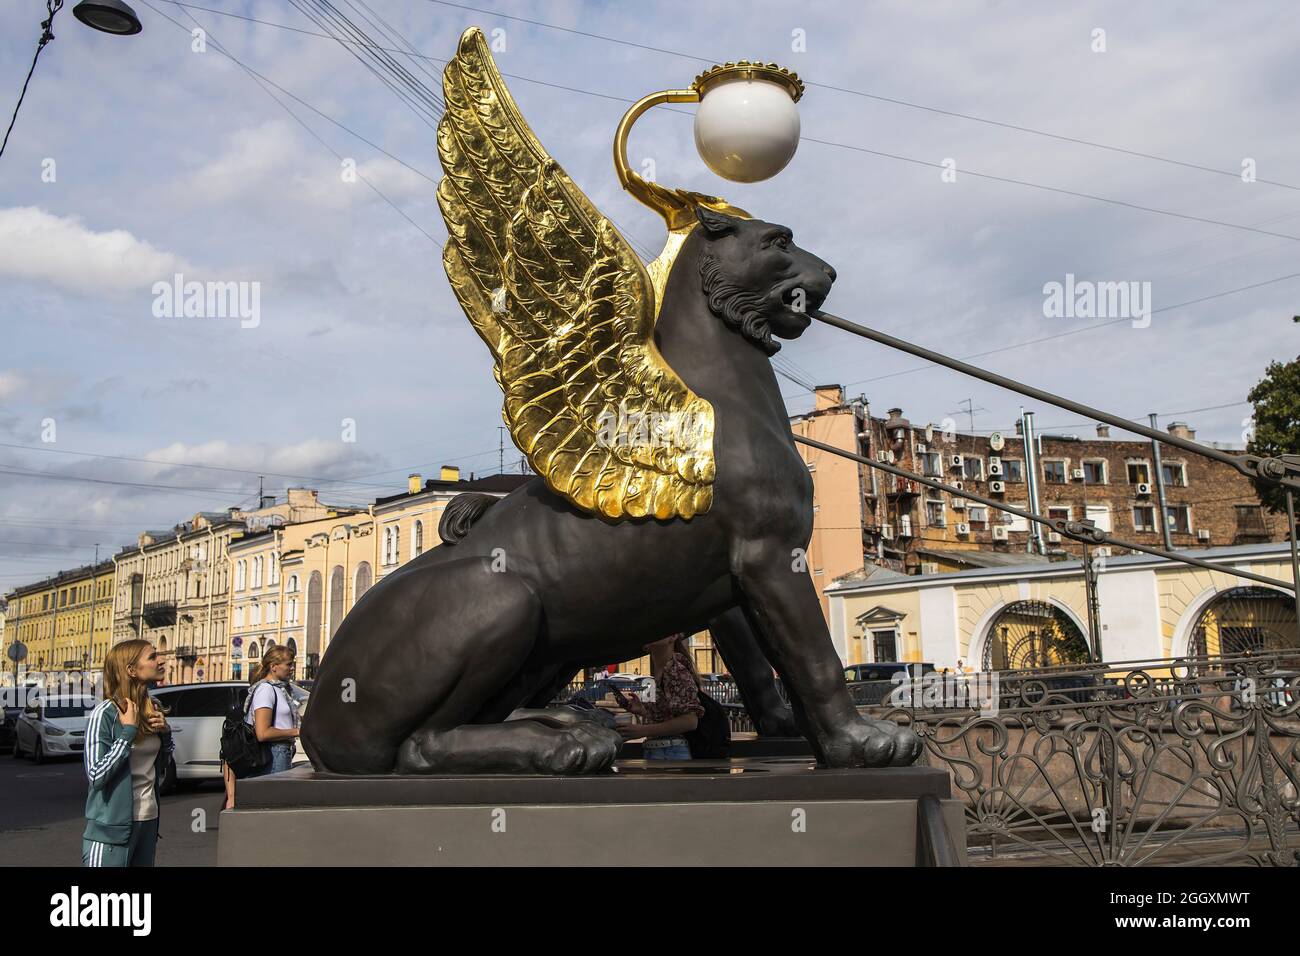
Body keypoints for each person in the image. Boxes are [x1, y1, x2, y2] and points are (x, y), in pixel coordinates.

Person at [82, 640, 173, 867]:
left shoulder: (154, 706)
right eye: (152, 657)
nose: (160, 660)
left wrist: (166, 734)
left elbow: (161, 766)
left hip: (148, 819)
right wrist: (128, 733)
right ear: (131, 670)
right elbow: (96, 776)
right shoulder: (104, 714)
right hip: (111, 830)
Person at [619, 634, 704, 760]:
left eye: (657, 629)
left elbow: (691, 721)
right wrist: (641, 710)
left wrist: (643, 731)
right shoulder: (656, 675)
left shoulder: (676, 671)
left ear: (673, 637)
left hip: (671, 752)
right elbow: (666, 716)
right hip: (658, 750)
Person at [243, 646, 300, 776]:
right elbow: (263, 733)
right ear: (274, 666)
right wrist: (297, 731)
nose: (292, 668)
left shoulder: (280, 689)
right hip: (274, 752)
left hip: (281, 751)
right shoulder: (266, 690)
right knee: (276, 795)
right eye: (289, 664)